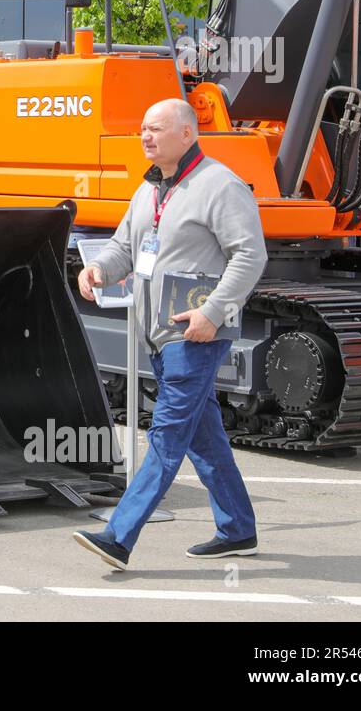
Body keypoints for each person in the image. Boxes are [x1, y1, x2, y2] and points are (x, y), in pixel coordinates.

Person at [73, 97, 266, 571]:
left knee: (166, 437)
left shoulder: (220, 185)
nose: (145, 136)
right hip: (157, 337)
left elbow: (250, 255)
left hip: (194, 336)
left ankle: (118, 537)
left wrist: (214, 313)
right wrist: (97, 267)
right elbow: (124, 245)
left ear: (187, 133)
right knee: (207, 440)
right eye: (142, 127)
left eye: (156, 128)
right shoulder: (149, 190)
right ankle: (238, 529)